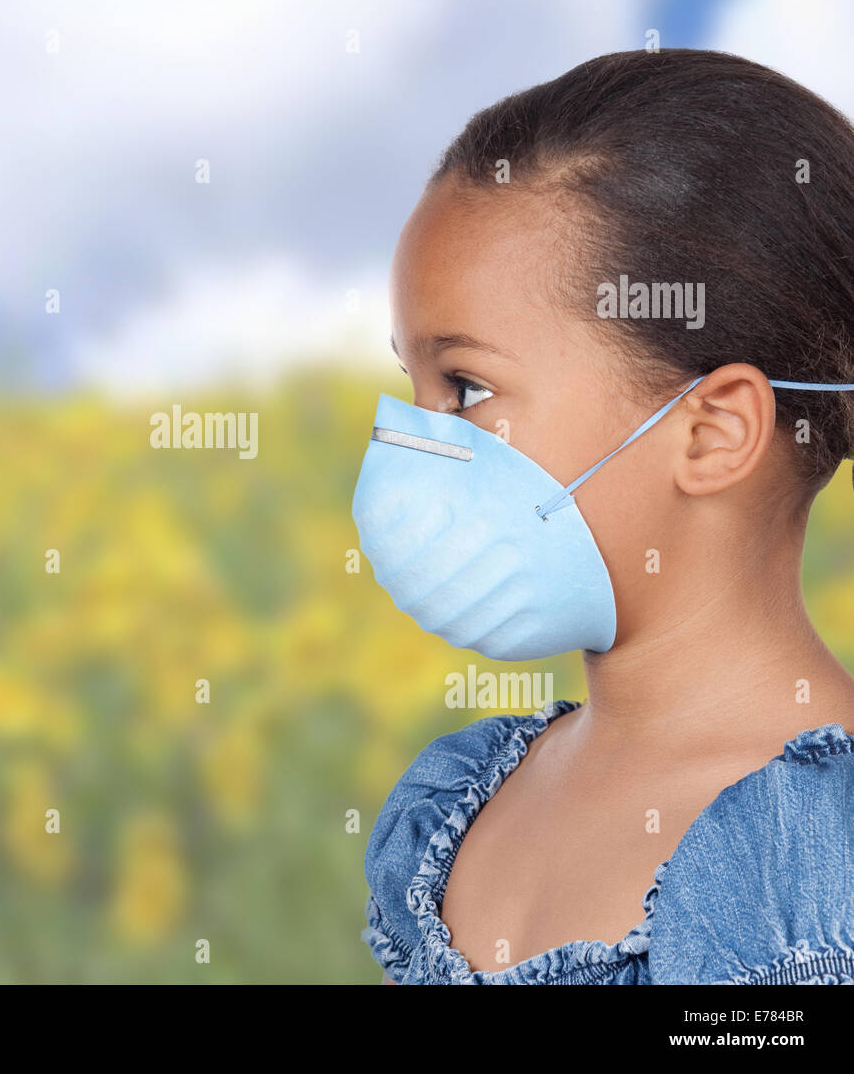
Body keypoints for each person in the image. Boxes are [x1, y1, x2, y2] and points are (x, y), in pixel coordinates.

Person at [353, 48, 854, 985]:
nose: (411, 445)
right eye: (409, 383)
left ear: (711, 432)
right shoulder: (458, 797)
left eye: (464, 386)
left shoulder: (819, 867)